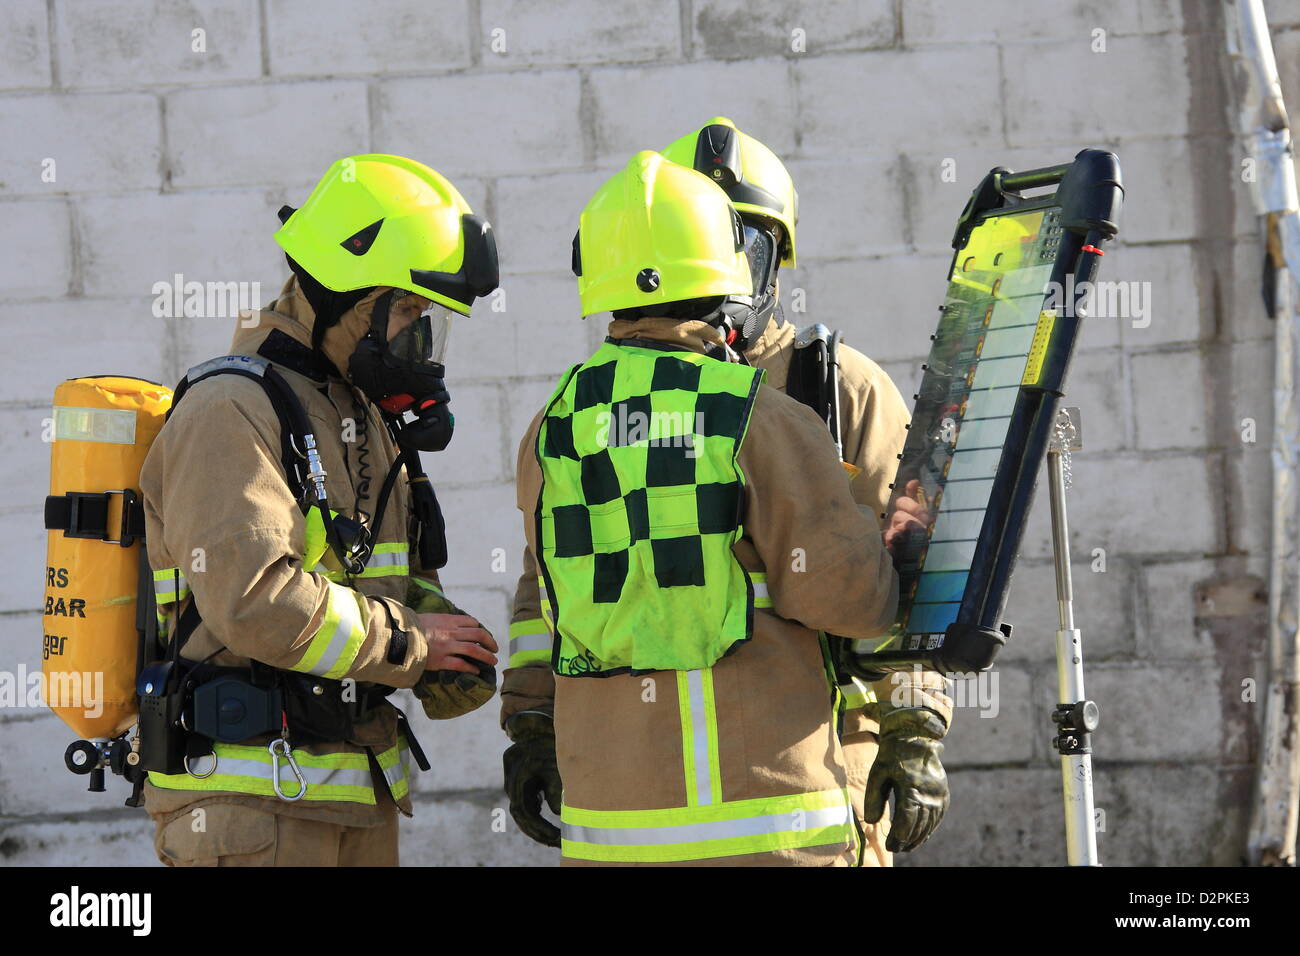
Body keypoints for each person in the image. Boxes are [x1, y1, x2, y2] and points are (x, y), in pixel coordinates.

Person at [502, 120, 954, 866]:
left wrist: (913, 727)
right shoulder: (770, 418)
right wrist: (532, 720)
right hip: (779, 815)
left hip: (797, 762)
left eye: (753, 242)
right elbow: (874, 584)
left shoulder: (838, 390)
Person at [139, 154, 500, 867]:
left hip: (349, 791)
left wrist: (444, 637)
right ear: (343, 293)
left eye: (424, 317)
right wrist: (411, 643)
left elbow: (365, 581)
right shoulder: (231, 409)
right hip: (252, 804)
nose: (415, 339)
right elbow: (254, 600)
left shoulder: (355, 415)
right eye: (404, 310)